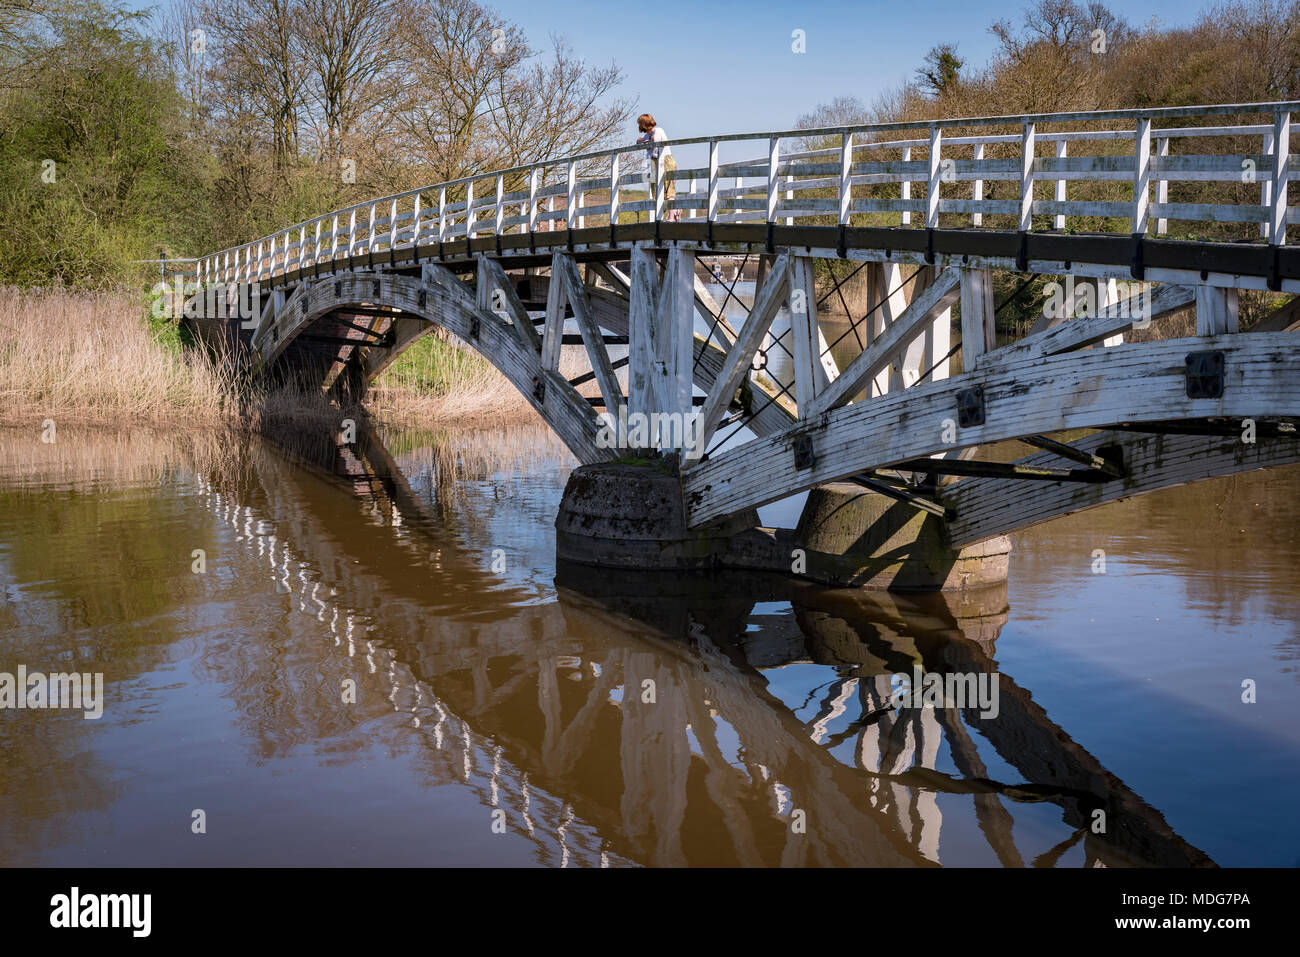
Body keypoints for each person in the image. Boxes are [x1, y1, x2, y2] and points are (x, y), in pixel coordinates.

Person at [637, 114, 679, 222]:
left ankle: (671, 216)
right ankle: (673, 212)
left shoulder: (658, 130)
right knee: (655, 190)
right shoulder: (647, 135)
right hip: (653, 162)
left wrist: (649, 141)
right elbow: (638, 141)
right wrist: (644, 141)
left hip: (665, 161)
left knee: (668, 189)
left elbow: (656, 140)